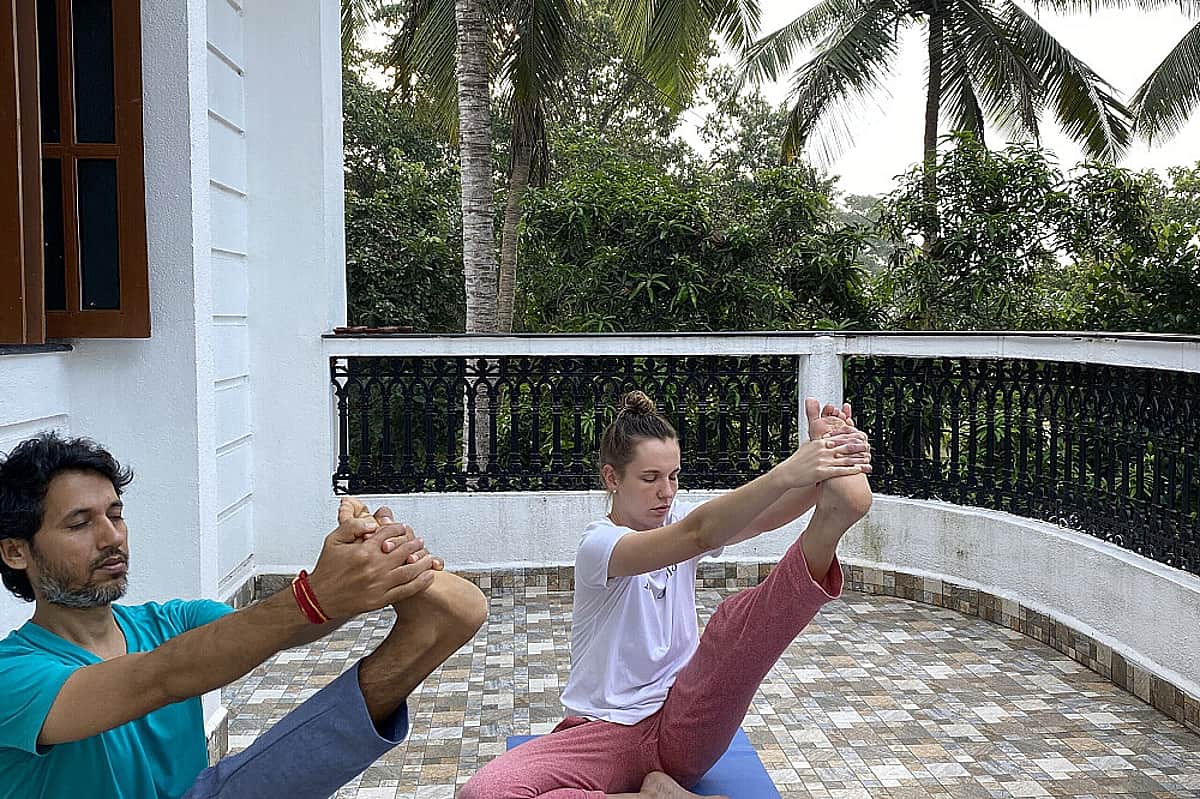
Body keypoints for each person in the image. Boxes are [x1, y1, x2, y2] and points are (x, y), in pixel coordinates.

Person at [0, 432, 488, 799]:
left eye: (115, 514)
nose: (111, 537)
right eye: (80, 524)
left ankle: (427, 629)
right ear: (16, 551)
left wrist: (372, 567)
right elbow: (157, 678)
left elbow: (275, 627)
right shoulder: (11, 675)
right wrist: (318, 594)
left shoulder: (171, 622)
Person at [461, 391, 874, 799]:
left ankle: (829, 523)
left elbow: (764, 517)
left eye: (673, 476)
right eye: (650, 478)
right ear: (612, 478)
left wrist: (831, 461)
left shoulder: (677, 519)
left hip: (687, 721)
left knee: (733, 624)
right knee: (484, 794)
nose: (667, 491)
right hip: (603, 736)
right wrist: (787, 471)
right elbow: (699, 534)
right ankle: (651, 796)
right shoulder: (600, 545)